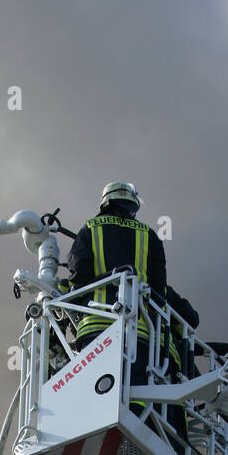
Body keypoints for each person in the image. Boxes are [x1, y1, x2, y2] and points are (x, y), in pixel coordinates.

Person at [64, 182, 199, 431]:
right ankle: (150, 432)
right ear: (133, 207)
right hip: (144, 332)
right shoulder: (149, 235)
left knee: (99, 385)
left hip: (97, 327)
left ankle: (99, 426)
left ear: (105, 203)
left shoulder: (89, 229)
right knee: (142, 387)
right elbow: (159, 287)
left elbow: (77, 274)